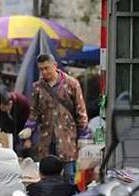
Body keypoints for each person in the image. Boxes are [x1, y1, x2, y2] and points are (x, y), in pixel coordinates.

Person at [22, 54, 90, 183]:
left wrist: (83, 136)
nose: (44, 72)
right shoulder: (37, 87)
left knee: (69, 176)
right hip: (46, 140)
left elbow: (80, 111)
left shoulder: (72, 84)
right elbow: (33, 113)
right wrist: (28, 134)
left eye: (46, 68)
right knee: (46, 178)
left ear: (55, 66)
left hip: (67, 140)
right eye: (41, 69)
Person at [0, 89, 31, 154]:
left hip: (23, 124)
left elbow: (29, 121)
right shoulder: (2, 105)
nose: (3, 110)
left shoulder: (22, 102)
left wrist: (28, 139)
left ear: (10, 104)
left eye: (4, 108)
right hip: (11, 127)